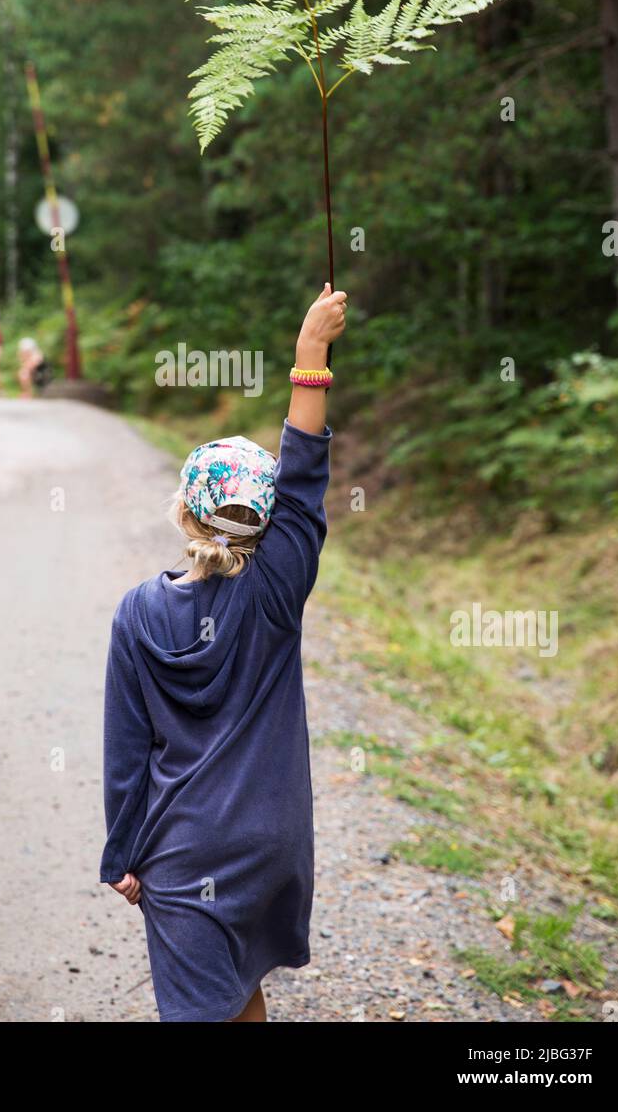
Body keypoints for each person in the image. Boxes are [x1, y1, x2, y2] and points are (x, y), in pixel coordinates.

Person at [100, 283, 348, 1023]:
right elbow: (302, 471)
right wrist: (311, 350)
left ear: (183, 511)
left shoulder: (138, 614)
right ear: (273, 525)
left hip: (185, 851)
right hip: (271, 845)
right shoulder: (279, 587)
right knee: (238, 988)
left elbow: (126, 751)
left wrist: (121, 854)